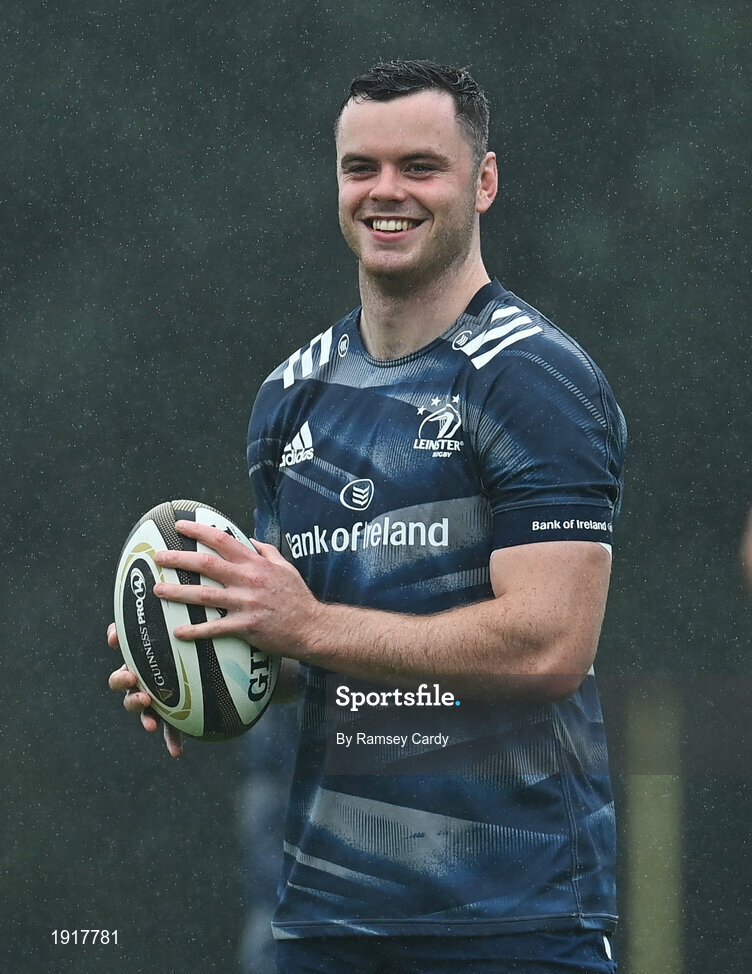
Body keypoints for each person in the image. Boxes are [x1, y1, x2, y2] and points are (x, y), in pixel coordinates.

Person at [109, 59, 626, 973]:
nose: (387, 191)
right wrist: (212, 651)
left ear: (484, 181)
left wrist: (304, 623)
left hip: (513, 924)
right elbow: (318, 650)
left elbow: (550, 646)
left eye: (420, 166)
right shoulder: (289, 398)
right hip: (325, 923)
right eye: (362, 168)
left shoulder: (534, 379)